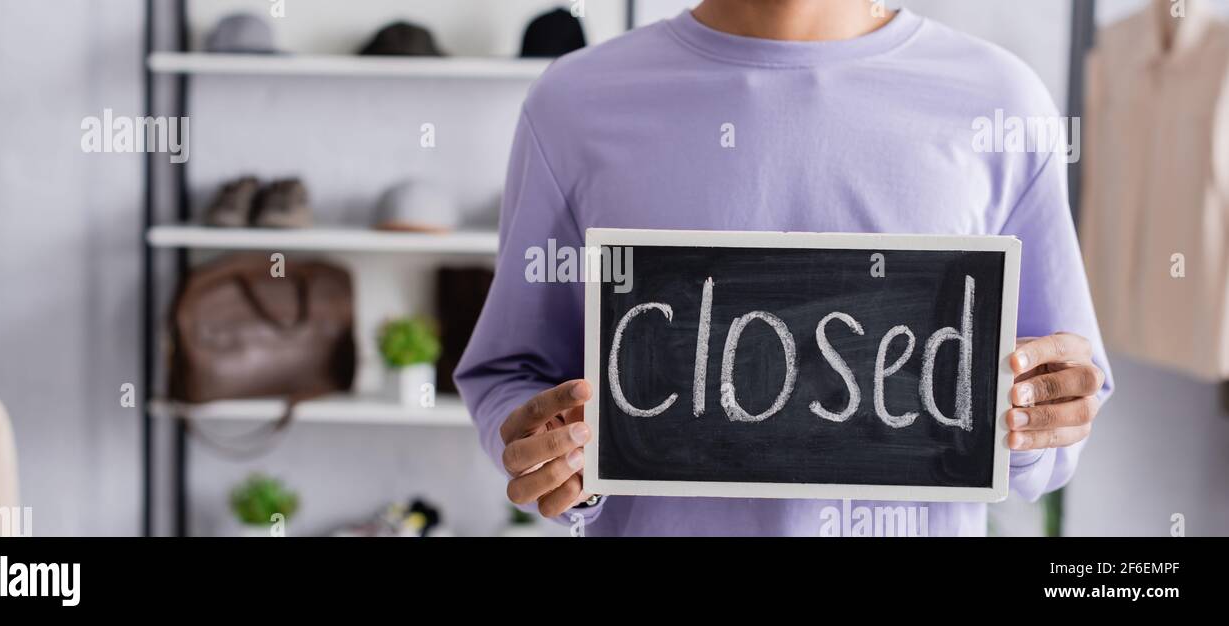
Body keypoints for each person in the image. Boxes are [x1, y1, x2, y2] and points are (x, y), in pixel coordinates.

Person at [454, 0, 1113, 536]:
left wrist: (1035, 423)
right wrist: (556, 458)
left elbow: (1057, 401)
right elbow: (513, 370)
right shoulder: (573, 104)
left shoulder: (1000, 103)